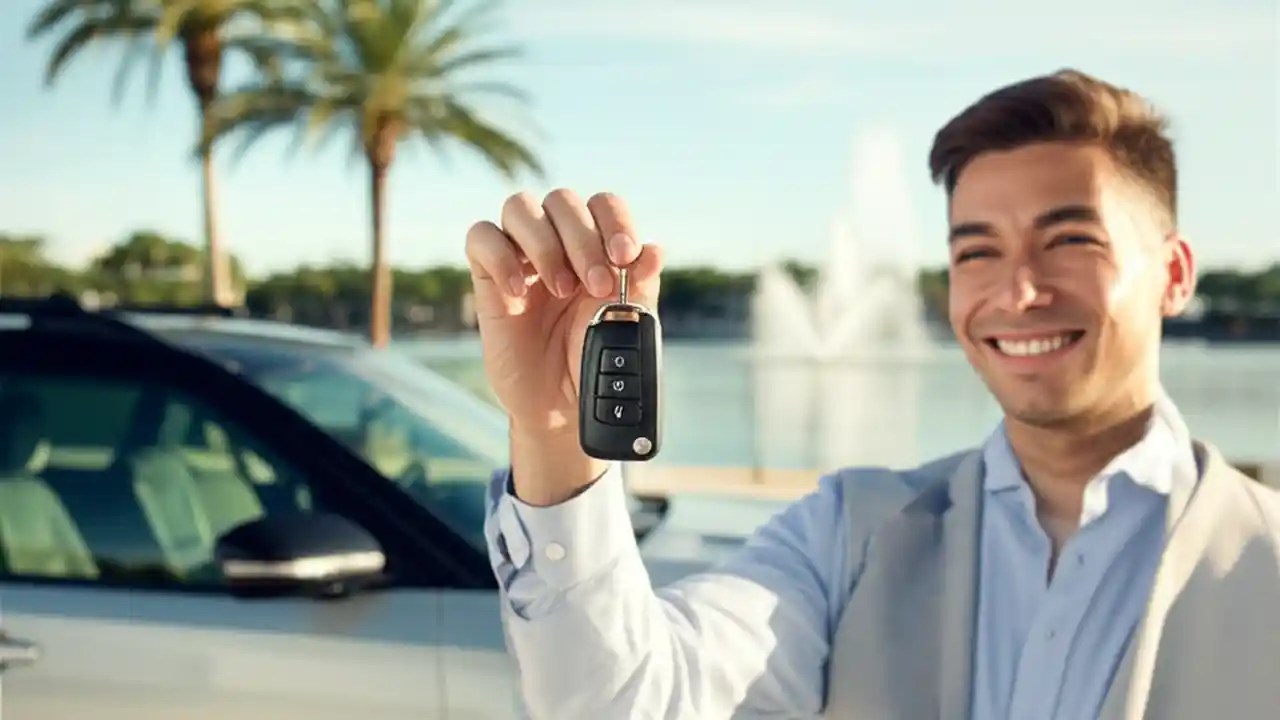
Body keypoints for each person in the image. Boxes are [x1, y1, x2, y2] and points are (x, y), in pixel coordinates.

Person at [463, 69, 1280, 719]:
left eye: (1070, 240)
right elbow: (620, 703)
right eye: (976, 251)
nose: (1016, 291)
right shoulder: (848, 534)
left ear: (1173, 274)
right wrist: (553, 433)